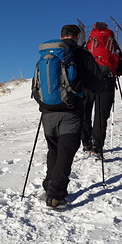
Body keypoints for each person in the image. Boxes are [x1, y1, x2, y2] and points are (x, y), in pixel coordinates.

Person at [35, 25, 105, 208]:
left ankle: (49, 185)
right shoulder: (81, 54)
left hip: (48, 112)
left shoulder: (47, 56)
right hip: (71, 111)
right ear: (78, 35)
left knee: (54, 150)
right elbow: (96, 84)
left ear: (61, 35)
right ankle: (55, 195)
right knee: (66, 151)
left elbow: (36, 87)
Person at [81, 22, 122, 159]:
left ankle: (86, 143)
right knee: (101, 115)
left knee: (85, 111)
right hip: (107, 80)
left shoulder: (88, 42)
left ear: (93, 29)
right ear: (106, 28)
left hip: (88, 81)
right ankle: (96, 147)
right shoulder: (112, 42)